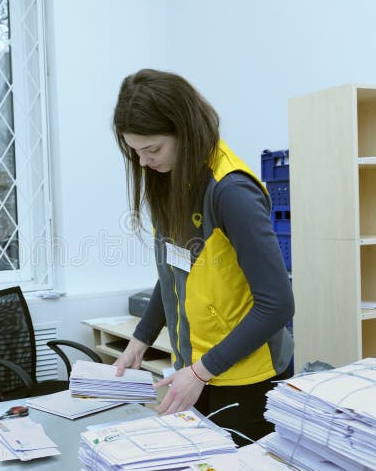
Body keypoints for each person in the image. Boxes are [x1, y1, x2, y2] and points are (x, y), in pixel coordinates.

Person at [112, 69, 294, 446]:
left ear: (185, 131)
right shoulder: (175, 180)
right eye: (136, 152)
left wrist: (200, 372)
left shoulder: (231, 191)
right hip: (199, 367)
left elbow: (277, 305)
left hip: (246, 378)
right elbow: (176, 274)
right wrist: (140, 341)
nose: (143, 163)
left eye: (152, 149)